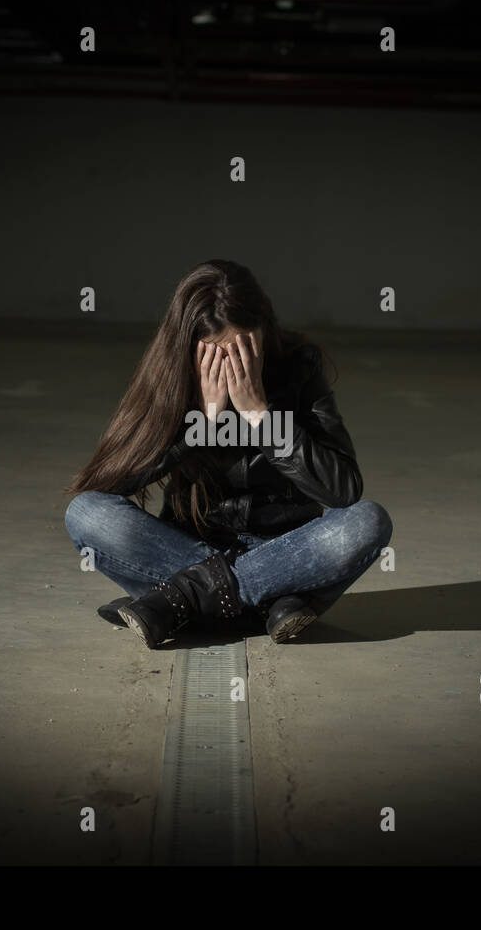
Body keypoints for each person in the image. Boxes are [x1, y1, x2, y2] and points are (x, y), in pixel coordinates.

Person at [64, 259, 391, 648]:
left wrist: (261, 416)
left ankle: (181, 600)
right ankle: (266, 602)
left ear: (264, 333)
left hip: (284, 551)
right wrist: (200, 423)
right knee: (85, 514)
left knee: (368, 521)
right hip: (187, 548)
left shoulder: (298, 365)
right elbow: (108, 486)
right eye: (216, 357)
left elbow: (342, 491)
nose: (231, 368)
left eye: (241, 351)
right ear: (188, 347)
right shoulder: (172, 372)